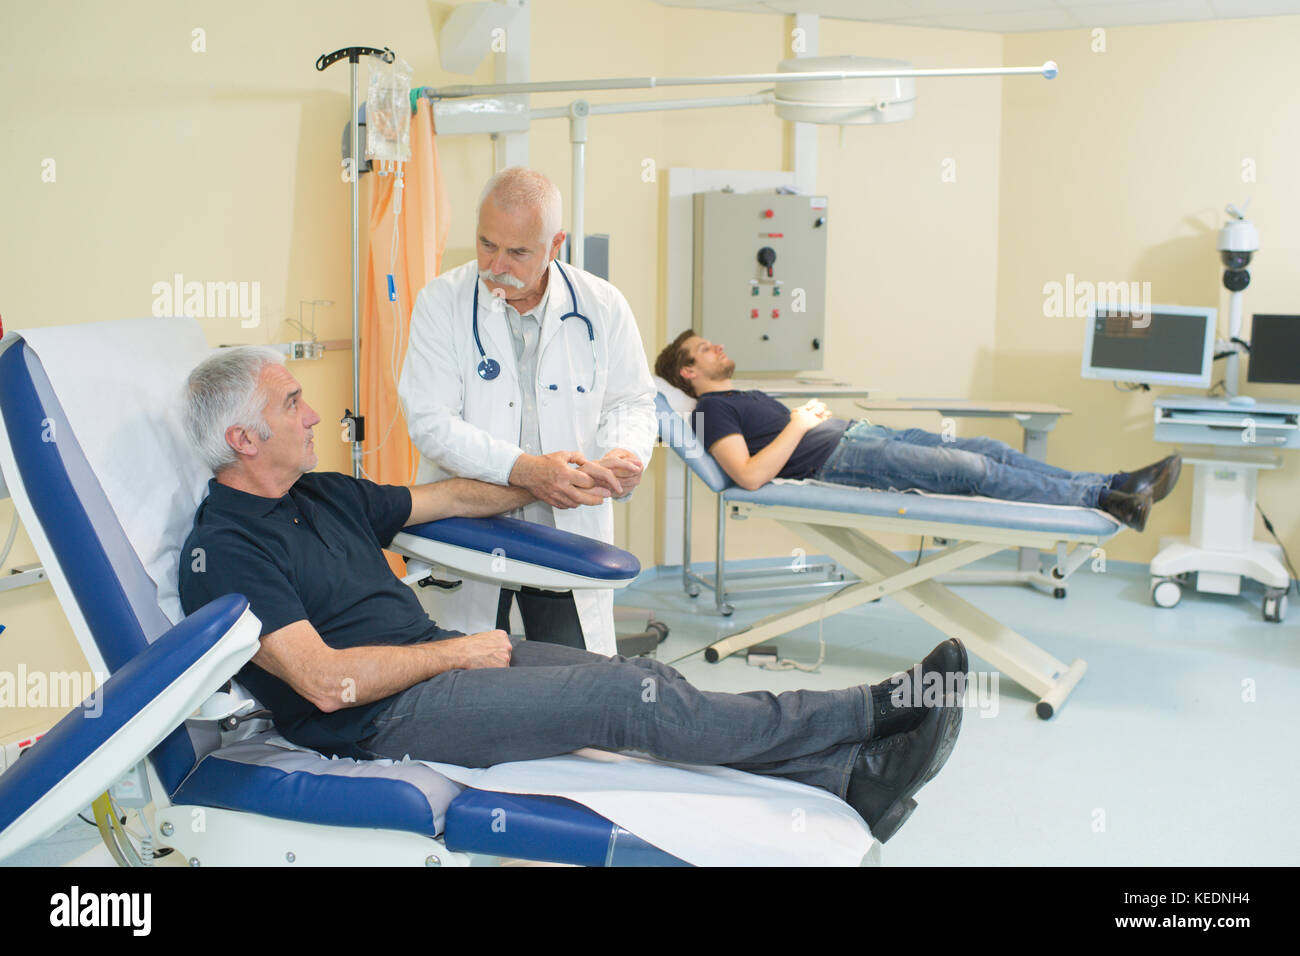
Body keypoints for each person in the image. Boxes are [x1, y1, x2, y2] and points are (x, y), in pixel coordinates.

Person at [176, 346, 967, 844]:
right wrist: (456, 651)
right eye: (290, 404)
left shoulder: (320, 491)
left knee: (650, 686)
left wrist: (543, 478)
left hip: (439, 665)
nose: (312, 412)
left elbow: (445, 499)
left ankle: (848, 778)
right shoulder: (227, 550)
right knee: (630, 702)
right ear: (243, 439)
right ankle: (866, 712)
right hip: (377, 717)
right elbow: (321, 681)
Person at [398, 167, 657, 655]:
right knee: (467, 677)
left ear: (556, 243)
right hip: (473, 524)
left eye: (518, 252)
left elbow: (633, 400)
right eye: (486, 244)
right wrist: (525, 470)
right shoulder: (441, 302)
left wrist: (625, 452)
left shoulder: (603, 306)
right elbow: (431, 422)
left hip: (565, 528)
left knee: (575, 678)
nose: (497, 264)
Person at [654, 332, 1182, 532]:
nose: (718, 345)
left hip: (859, 436)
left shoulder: (736, 396)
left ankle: (1117, 480)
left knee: (989, 447)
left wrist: (804, 420)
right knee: (973, 471)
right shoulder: (712, 413)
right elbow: (748, 476)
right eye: (704, 349)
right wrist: (798, 422)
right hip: (840, 460)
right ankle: (1106, 499)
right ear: (688, 373)